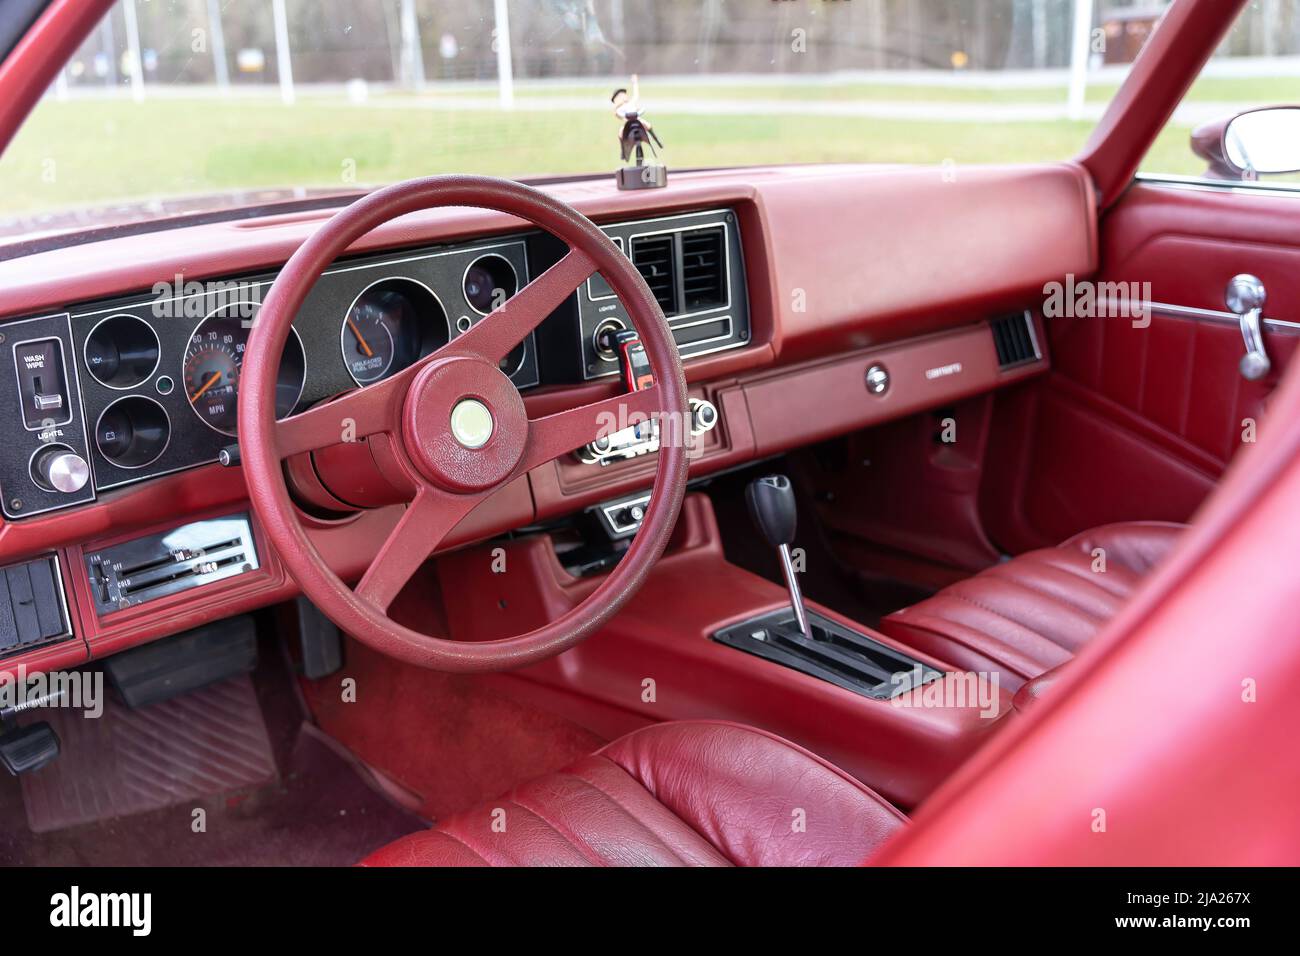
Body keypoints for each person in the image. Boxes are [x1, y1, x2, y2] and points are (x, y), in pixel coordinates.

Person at [612, 75, 663, 166]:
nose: (624, 97)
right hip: (628, 123)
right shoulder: (620, 108)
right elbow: (617, 114)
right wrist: (618, 109)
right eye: (620, 96)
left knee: (647, 125)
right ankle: (623, 150)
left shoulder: (631, 103)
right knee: (620, 133)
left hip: (637, 119)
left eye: (624, 95)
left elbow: (636, 95)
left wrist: (635, 83)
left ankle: (657, 140)